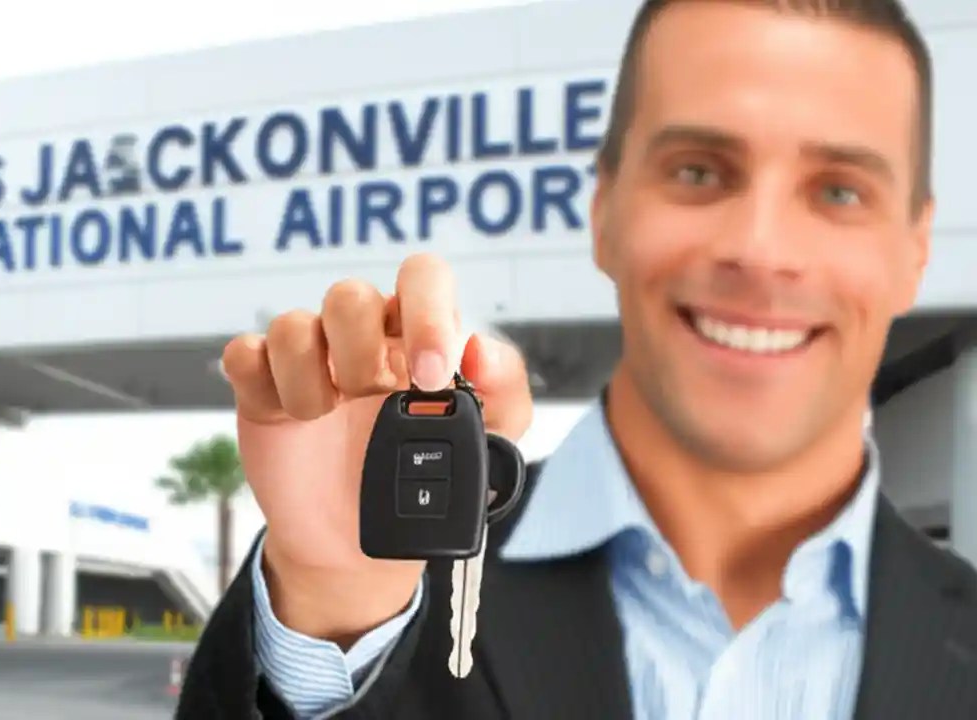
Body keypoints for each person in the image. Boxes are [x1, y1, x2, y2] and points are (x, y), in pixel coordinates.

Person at [177, 1, 977, 717]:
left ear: (915, 248)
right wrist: (336, 597)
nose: (760, 251)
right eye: (698, 171)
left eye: (840, 191)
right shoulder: (408, 585)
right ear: (605, 212)